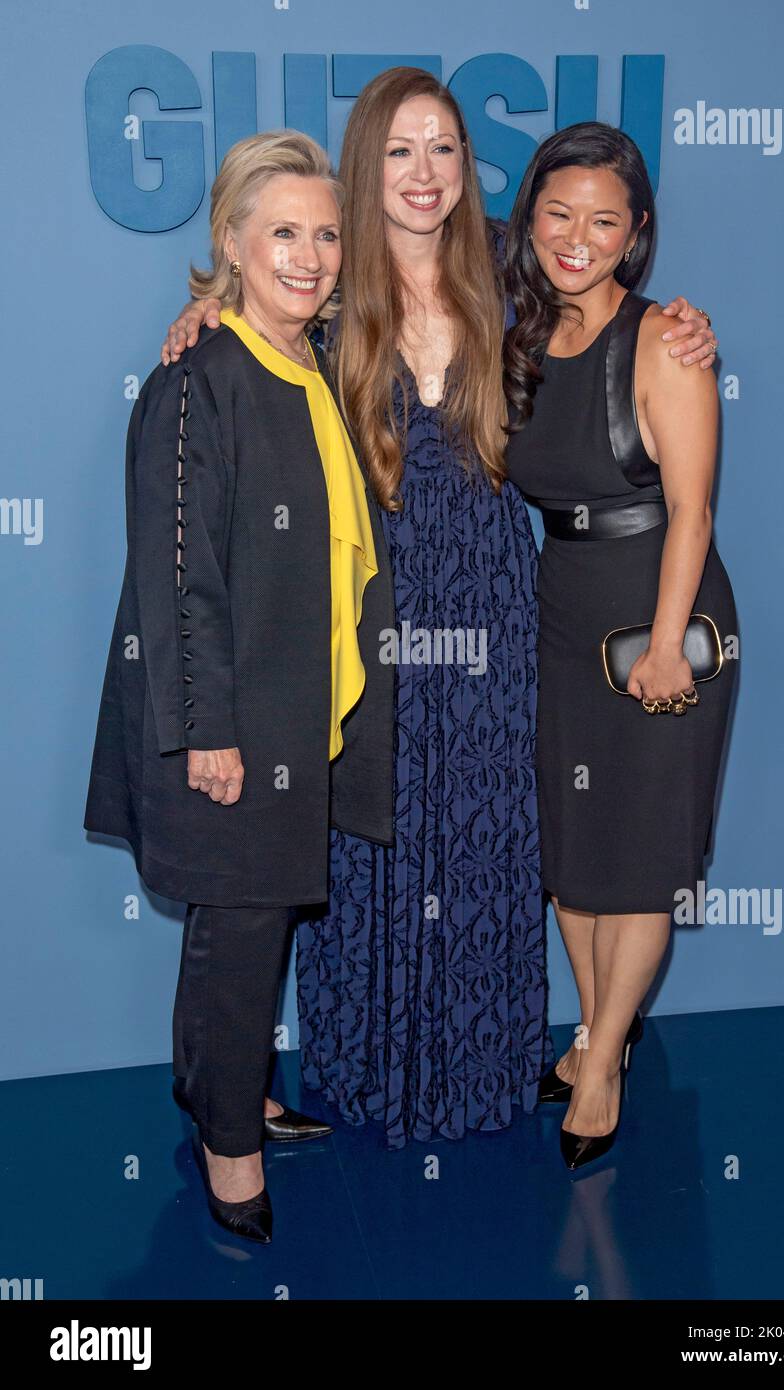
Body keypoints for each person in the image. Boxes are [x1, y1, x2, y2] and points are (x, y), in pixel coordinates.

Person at [163, 69, 718, 1152]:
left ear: (467, 171)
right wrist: (204, 307)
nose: (423, 174)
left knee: (486, 842)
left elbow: (608, 295)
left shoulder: (511, 272)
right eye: (401, 151)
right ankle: (367, 1062)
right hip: (364, 614)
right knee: (368, 842)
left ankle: (480, 1062)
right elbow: (246, 314)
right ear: (365, 164)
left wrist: (679, 321)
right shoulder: (321, 288)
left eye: (445, 151)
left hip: (497, 613)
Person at [84, 131, 394, 1240]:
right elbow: (179, 577)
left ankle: (218, 1084)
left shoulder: (307, 363)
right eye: (282, 235)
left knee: (236, 921)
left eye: (323, 234)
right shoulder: (196, 377)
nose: (308, 257)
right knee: (245, 921)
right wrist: (207, 730)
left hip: (291, 703)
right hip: (230, 719)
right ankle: (229, 1146)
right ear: (231, 243)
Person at [504, 122, 738, 1171]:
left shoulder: (662, 340)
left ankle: (596, 1068)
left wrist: (661, 647)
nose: (576, 236)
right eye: (558, 213)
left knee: (637, 856)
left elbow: (691, 508)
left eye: (603, 220)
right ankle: (601, 1030)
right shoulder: (511, 329)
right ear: (530, 219)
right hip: (563, 609)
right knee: (574, 852)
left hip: (663, 615)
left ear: (633, 235)